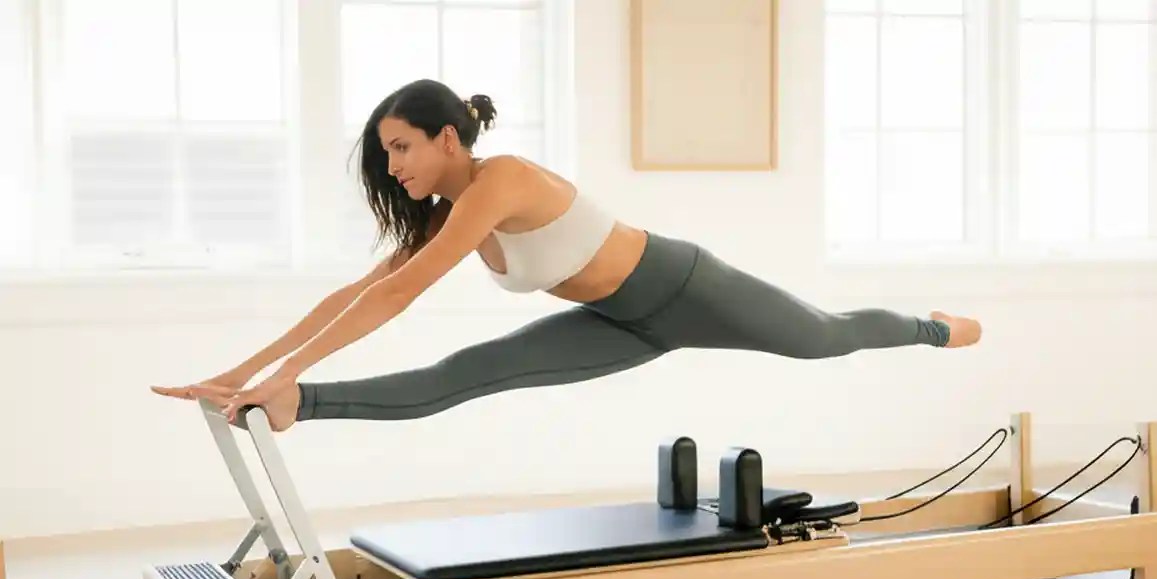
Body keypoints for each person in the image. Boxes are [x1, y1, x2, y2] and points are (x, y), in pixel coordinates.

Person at [152, 79, 981, 431]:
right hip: (618, 323)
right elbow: (356, 294)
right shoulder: (444, 214)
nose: (394, 166)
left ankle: (932, 328)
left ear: (448, 139)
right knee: (464, 376)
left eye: (402, 147)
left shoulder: (502, 181)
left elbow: (398, 297)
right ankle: (297, 405)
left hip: (685, 287)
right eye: (386, 154)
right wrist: (246, 373)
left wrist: (275, 363)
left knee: (825, 336)